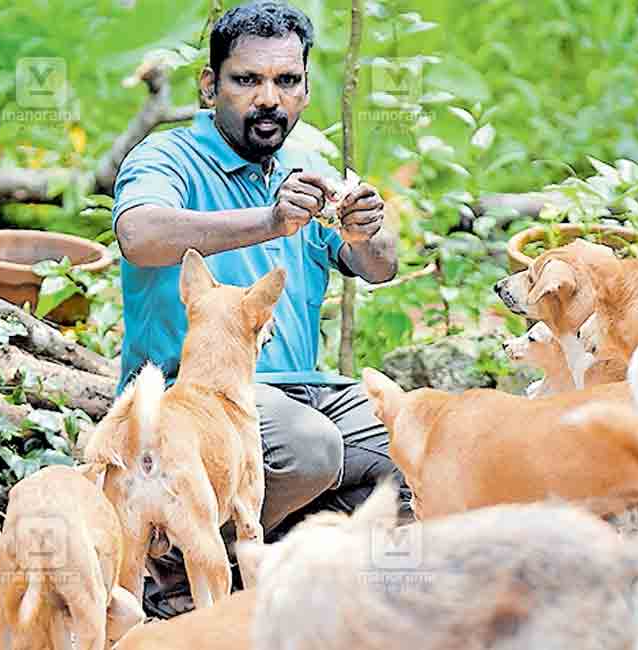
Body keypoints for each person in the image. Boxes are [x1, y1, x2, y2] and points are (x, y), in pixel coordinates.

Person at [111, 0, 410, 617]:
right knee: (310, 448)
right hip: (190, 401)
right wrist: (269, 221)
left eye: (287, 81)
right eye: (247, 80)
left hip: (305, 388)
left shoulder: (312, 163)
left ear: (305, 87)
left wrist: (370, 228)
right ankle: (174, 576)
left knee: (416, 442)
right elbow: (139, 235)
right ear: (209, 85)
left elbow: (380, 268)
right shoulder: (166, 157)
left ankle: (284, 571)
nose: (269, 98)